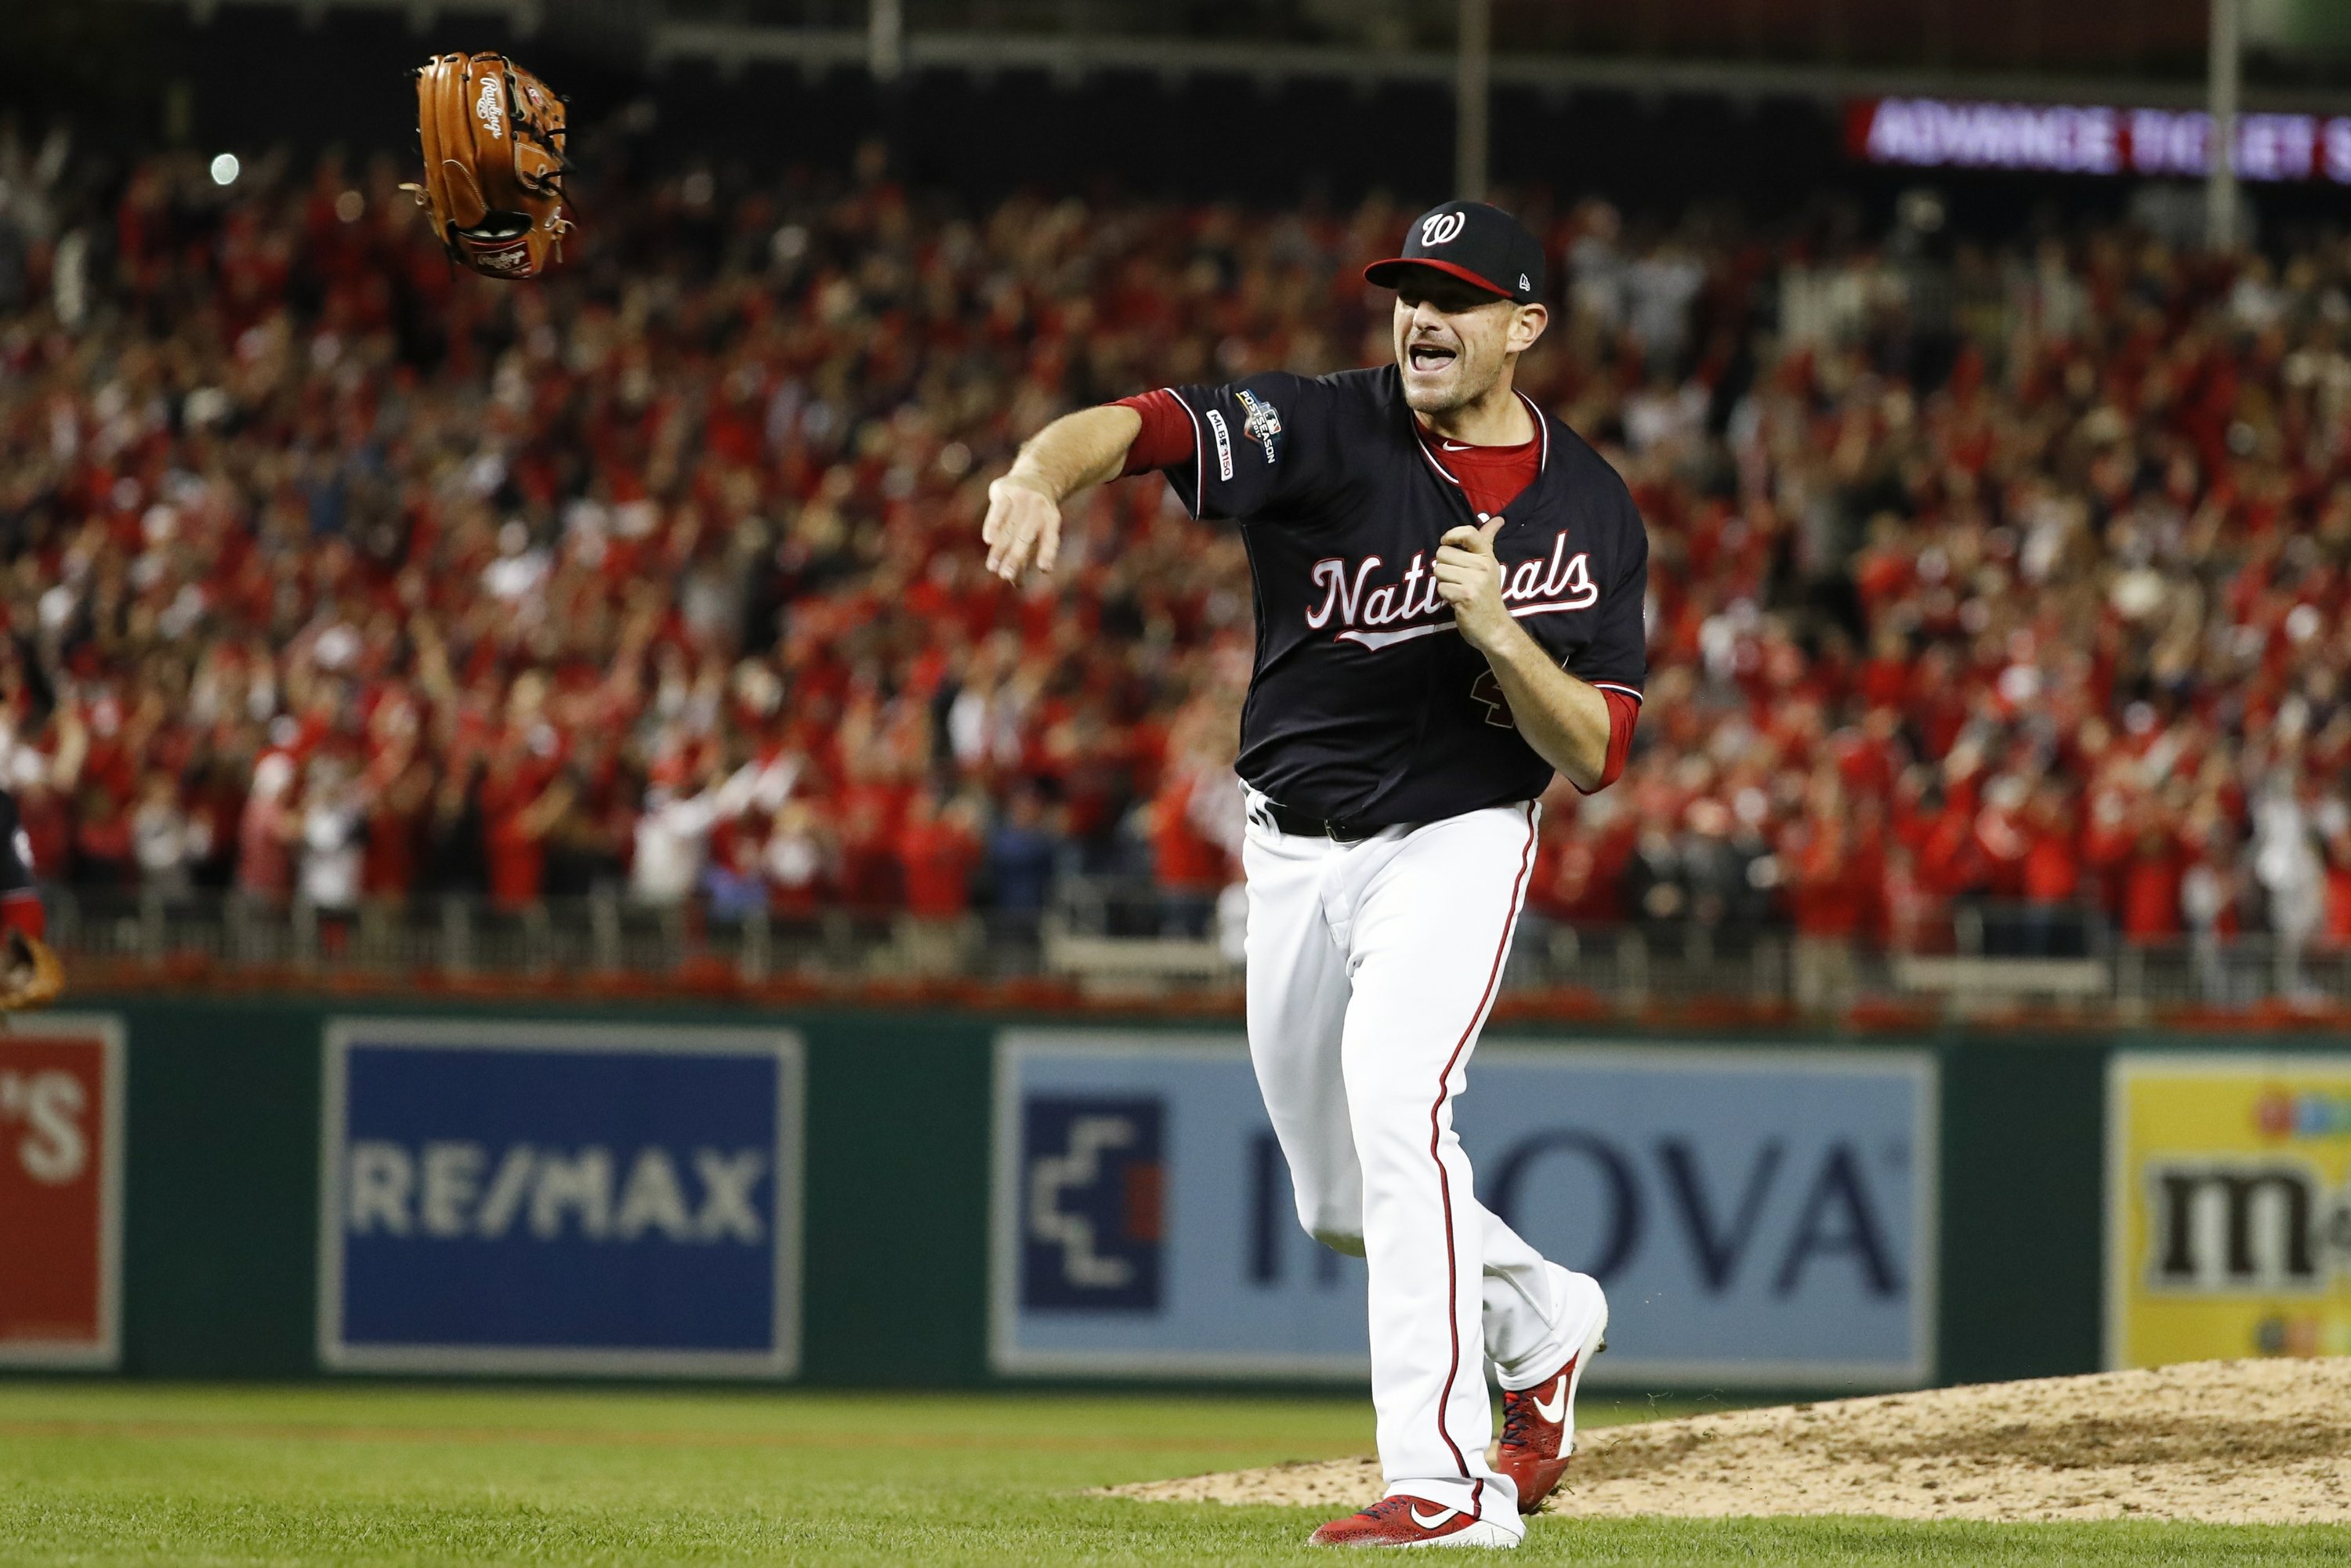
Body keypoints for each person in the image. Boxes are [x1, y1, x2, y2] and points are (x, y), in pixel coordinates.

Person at [980, 202, 1646, 1549]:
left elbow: (1599, 753)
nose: (1423, 318)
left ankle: (1450, 1489)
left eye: (1457, 298)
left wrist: (1504, 638)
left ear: (1524, 327)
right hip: (1290, 843)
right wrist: (1038, 475)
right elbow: (1142, 422)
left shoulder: (1591, 505)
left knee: (1403, 1113)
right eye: (1409, 292)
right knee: (1340, 1199)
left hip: (1458, 835)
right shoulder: (1323, 425)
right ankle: (1544, 1315)